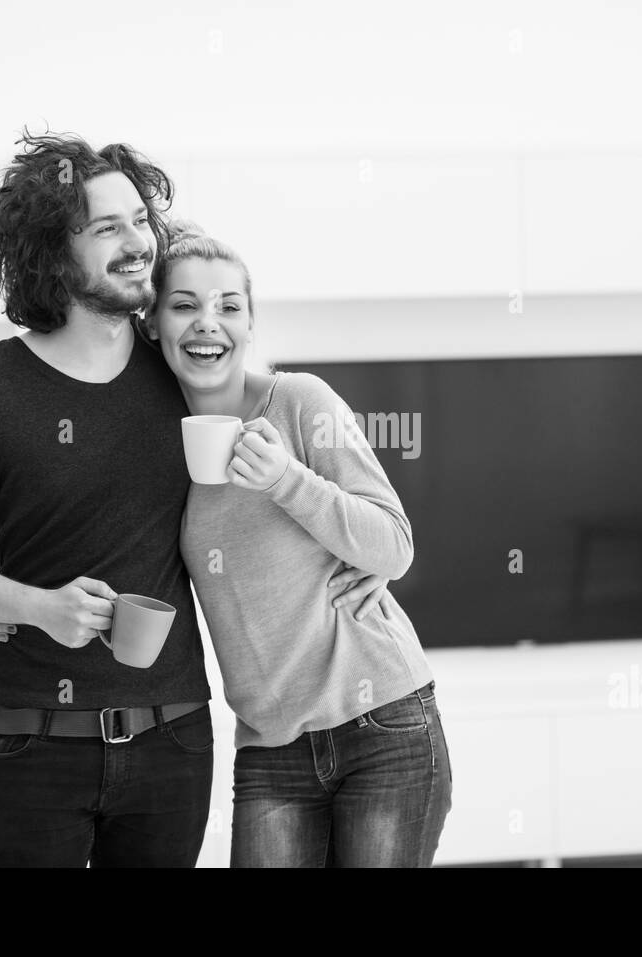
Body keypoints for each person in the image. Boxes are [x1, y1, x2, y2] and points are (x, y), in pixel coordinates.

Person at [0, 133, 387, 867]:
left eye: (141, 220)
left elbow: (287, 456)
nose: (139, 241)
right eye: (109, 228)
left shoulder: (182, 377)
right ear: (50, 250)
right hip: (31, 737)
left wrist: (366, 557)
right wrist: (28, 604)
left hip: (173, 740)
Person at [144, 220, 452, 867]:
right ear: (153, 324)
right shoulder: (154, 442)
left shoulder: (300, 402)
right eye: (185, 305)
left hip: (384, 724)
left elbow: (393, 544)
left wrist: (289, 480)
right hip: (269, 748)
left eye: (229, 306)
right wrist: (8, 602)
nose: (209, 322)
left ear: (251, 324)